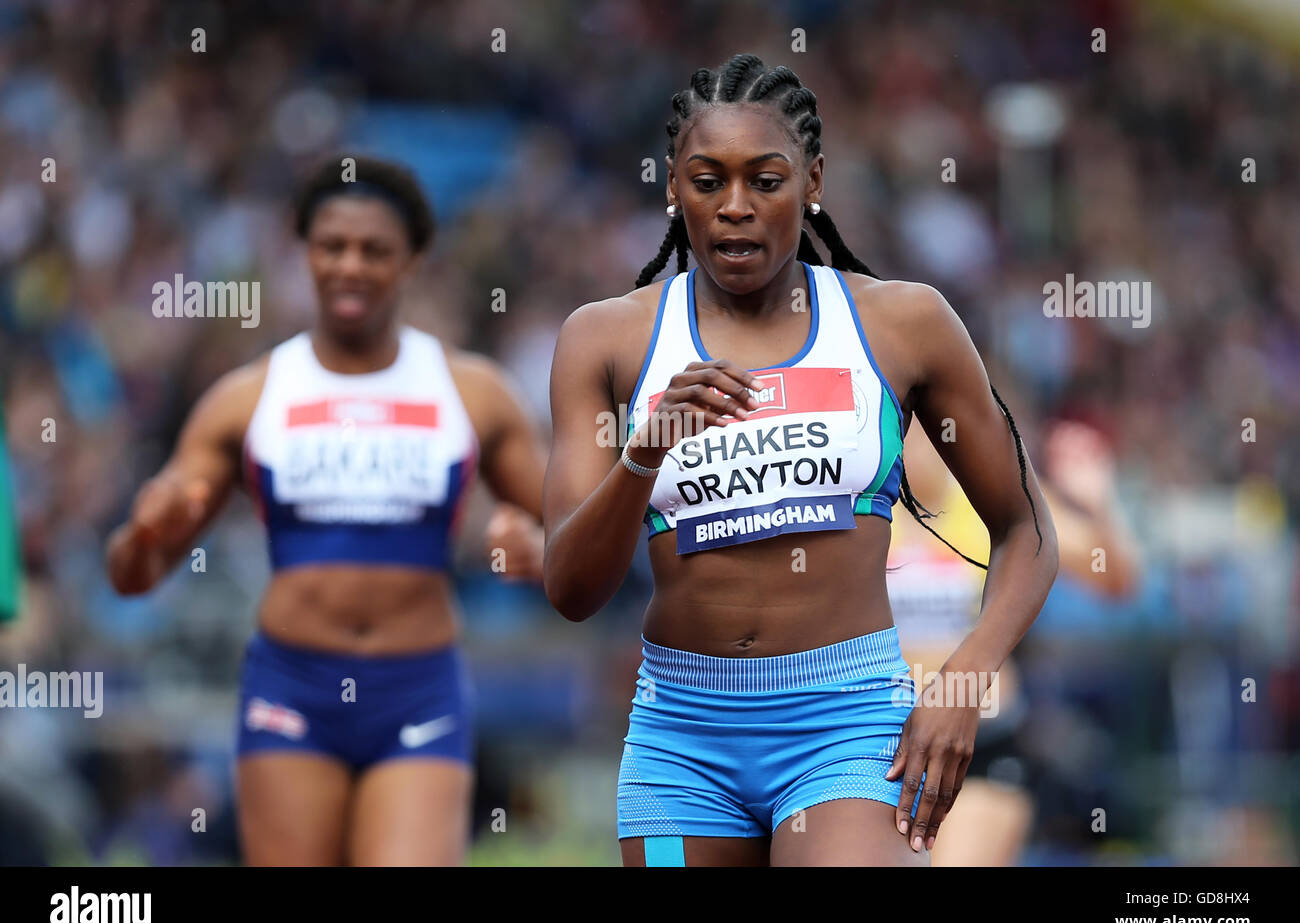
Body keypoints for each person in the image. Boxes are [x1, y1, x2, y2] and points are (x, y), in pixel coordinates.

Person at [543, 54, 1059, 866]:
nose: (736, 207)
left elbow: (1025, 528)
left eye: (767, 180)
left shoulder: (902, 323)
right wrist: (641, 455)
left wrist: (962, 685)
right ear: (672, 188)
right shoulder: (605, 339)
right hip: (682, 738)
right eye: (708, 181)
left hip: (846, 724)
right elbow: (570, 590)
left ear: (813, 181)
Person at [106, 155, 546, 866]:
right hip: (291, 691)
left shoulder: (473, 393)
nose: (351, 267)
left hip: (417, 688)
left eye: (375, 250)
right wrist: (140, 534)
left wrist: (534, 547)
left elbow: (581, 540)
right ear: (302, 251)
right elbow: (135, 575)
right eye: (331, 247)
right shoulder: (248, 397)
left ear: (412, 260)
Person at [888, 419, 1140, 866]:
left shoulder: (992, 502)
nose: (918, 441)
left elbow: (1116, 580)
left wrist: (1099, 502)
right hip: (877, 740)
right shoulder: (860, 503)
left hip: (983, 743)